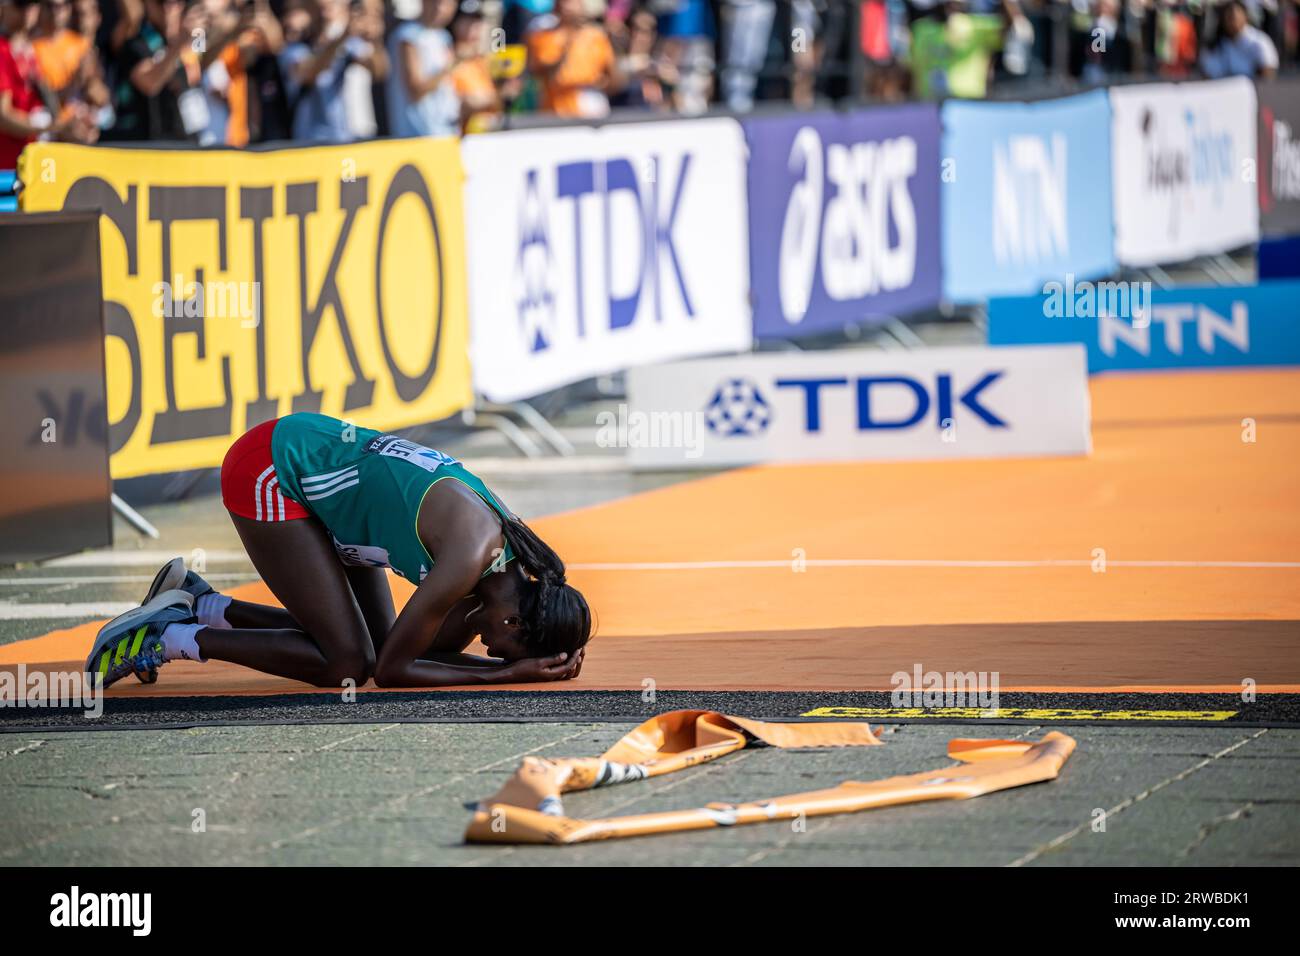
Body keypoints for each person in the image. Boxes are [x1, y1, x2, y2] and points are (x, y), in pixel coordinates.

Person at [86, 413, 592, 690]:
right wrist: (505, 676)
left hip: (326, 478)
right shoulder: (469, 558)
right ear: (515, 624)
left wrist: (510, 667)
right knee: (346, 665)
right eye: (501, 649)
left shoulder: (506, 566)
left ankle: (201, 604)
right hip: (272, 470)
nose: (489, 649)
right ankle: (167, 636)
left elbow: (426, 652)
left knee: (366, 646)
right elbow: (394, 673)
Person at [0, 0, 97, 168]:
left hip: (29, 163)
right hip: (6, 167)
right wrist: (49, 127)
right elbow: (3, 116)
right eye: (20, 4)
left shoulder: (28, 50)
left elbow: (48, 103)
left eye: (33, 4)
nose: (28, 10)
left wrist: (73, 125)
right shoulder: (3, 51)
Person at [279, 0, 387, 143]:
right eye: (321, 8)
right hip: (308, 141)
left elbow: (379, 71)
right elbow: (310, 74)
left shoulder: (348, 44)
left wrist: (374, 37)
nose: (326, 13)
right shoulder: (295, 48)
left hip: (345, 137)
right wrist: (342, 37)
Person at [526, 0, 620, 118]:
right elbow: (540, 74)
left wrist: (597, 85)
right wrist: (564, 50)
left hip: (590, 104)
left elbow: (615, 80)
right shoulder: (544, 36)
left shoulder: (596, 37)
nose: (568, 7)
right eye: (565, 2)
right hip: (555, 107)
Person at [386, 0, 458, 138]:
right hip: (416, 135)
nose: (440, 8)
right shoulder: (407, 36)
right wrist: (452, 66)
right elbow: (415, 90)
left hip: (446, 132)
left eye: (447, 3)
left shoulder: (444, 37)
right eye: (436, 2)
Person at [1201, 0, 1278, 77]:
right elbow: (1208, 73)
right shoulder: (1218, 44)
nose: (1232, 22)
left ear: (1246, 16)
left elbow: (1268, 71)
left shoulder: (1259, 41)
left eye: (1234, 17)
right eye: (1228, 17)